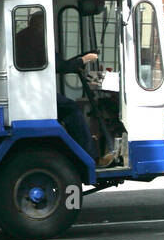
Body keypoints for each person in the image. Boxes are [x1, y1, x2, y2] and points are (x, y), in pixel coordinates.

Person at [14, 11, 116, 168]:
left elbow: (59, 64)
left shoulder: (22, 36)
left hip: (25, 90)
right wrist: (84, 59)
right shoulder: (38, 40)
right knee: (71, 109)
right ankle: (91, 158)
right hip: (35, 93)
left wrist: (78, 62)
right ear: (41, 24)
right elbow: (60, 66)